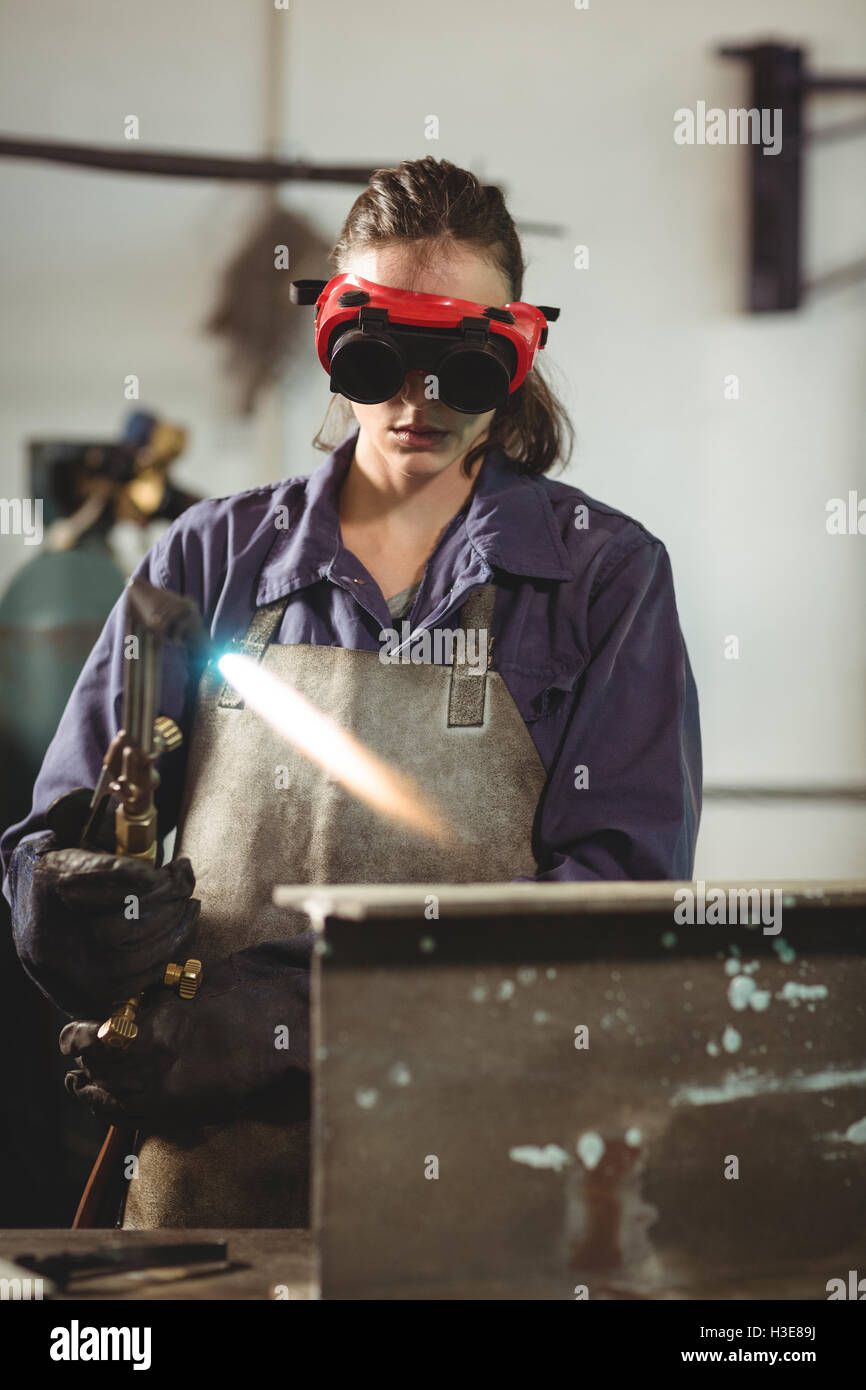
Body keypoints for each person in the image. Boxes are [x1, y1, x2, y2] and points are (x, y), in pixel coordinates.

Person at [1, 157, 702, 1229]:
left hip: (486, 1178)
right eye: (381, 357)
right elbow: (63, 832)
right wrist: (65, 913)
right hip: (208, 1186)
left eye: (458, 364)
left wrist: (278, 1015)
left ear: (511, 353)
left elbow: (613, 903)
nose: (418, 401)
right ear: (334, 337)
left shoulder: (602, 575)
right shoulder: (209, 555)